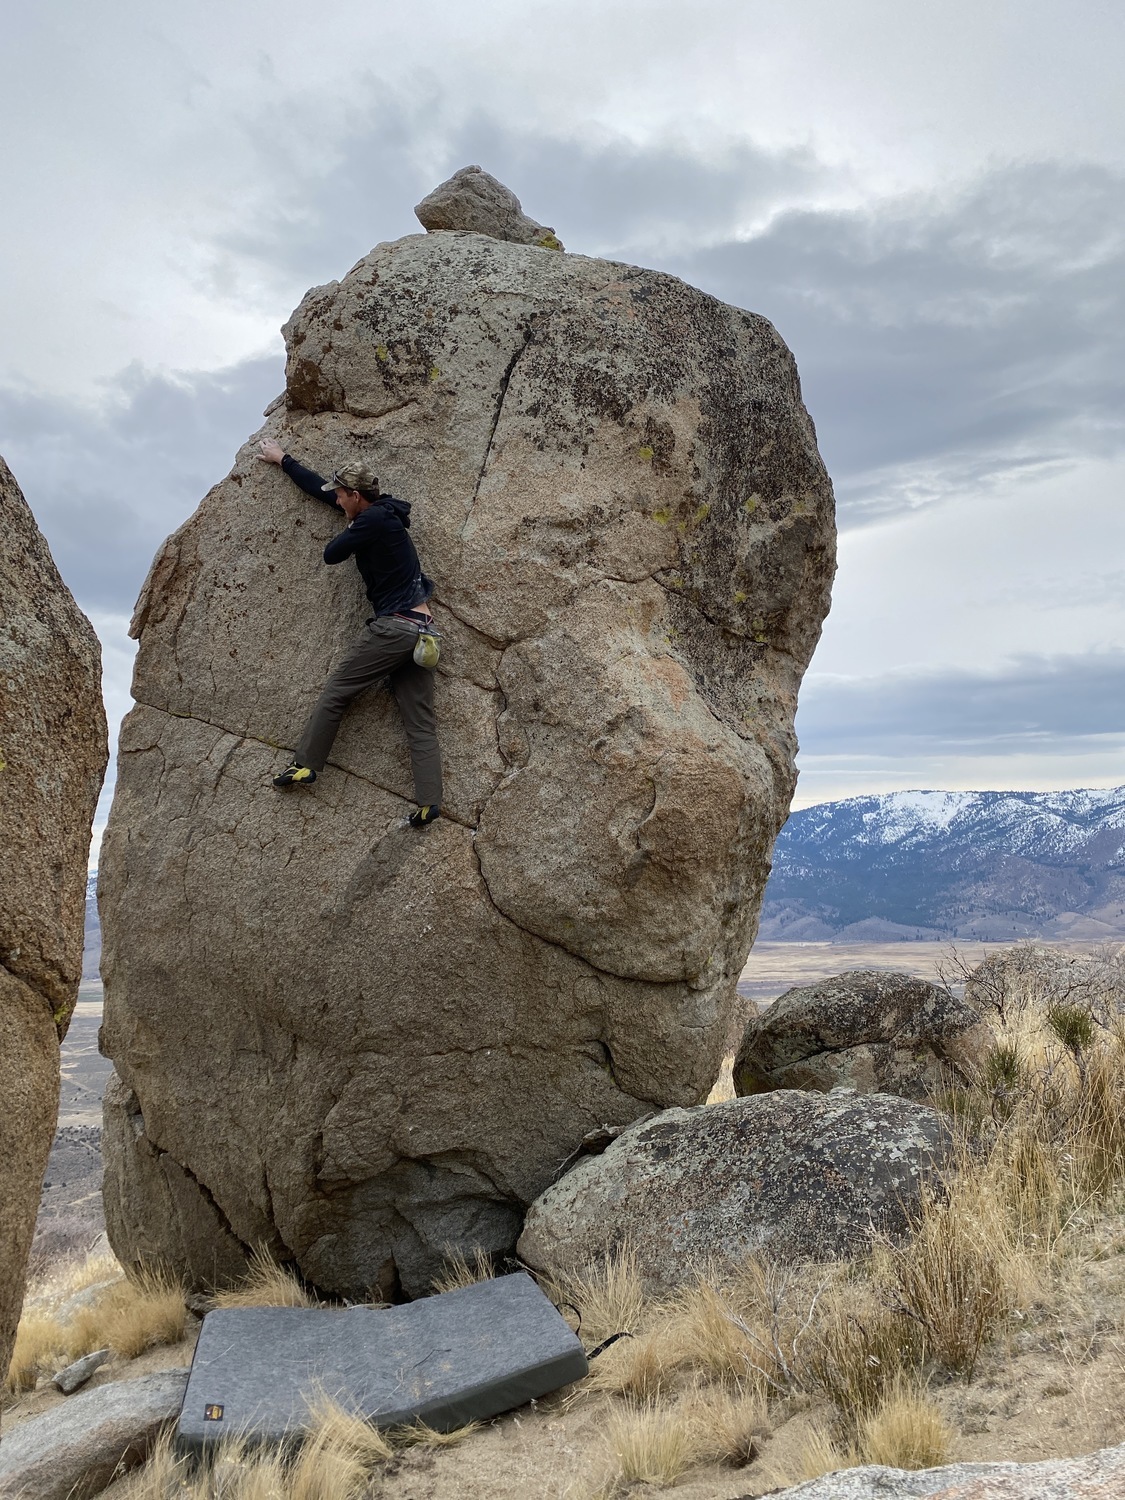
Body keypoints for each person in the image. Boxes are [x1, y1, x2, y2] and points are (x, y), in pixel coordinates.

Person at [257, 438, 442, 827]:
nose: (337, 501)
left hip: (395, 628)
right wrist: (284, 460)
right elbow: (323, 491)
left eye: (341, 495)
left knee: (337, 693)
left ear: (356, 495)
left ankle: (305, 766)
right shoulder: (383, 511)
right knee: (419, 722)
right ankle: (429, 803)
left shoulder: (370, 520)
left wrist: (351, 525)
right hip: (424, 631)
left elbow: (332, 553)